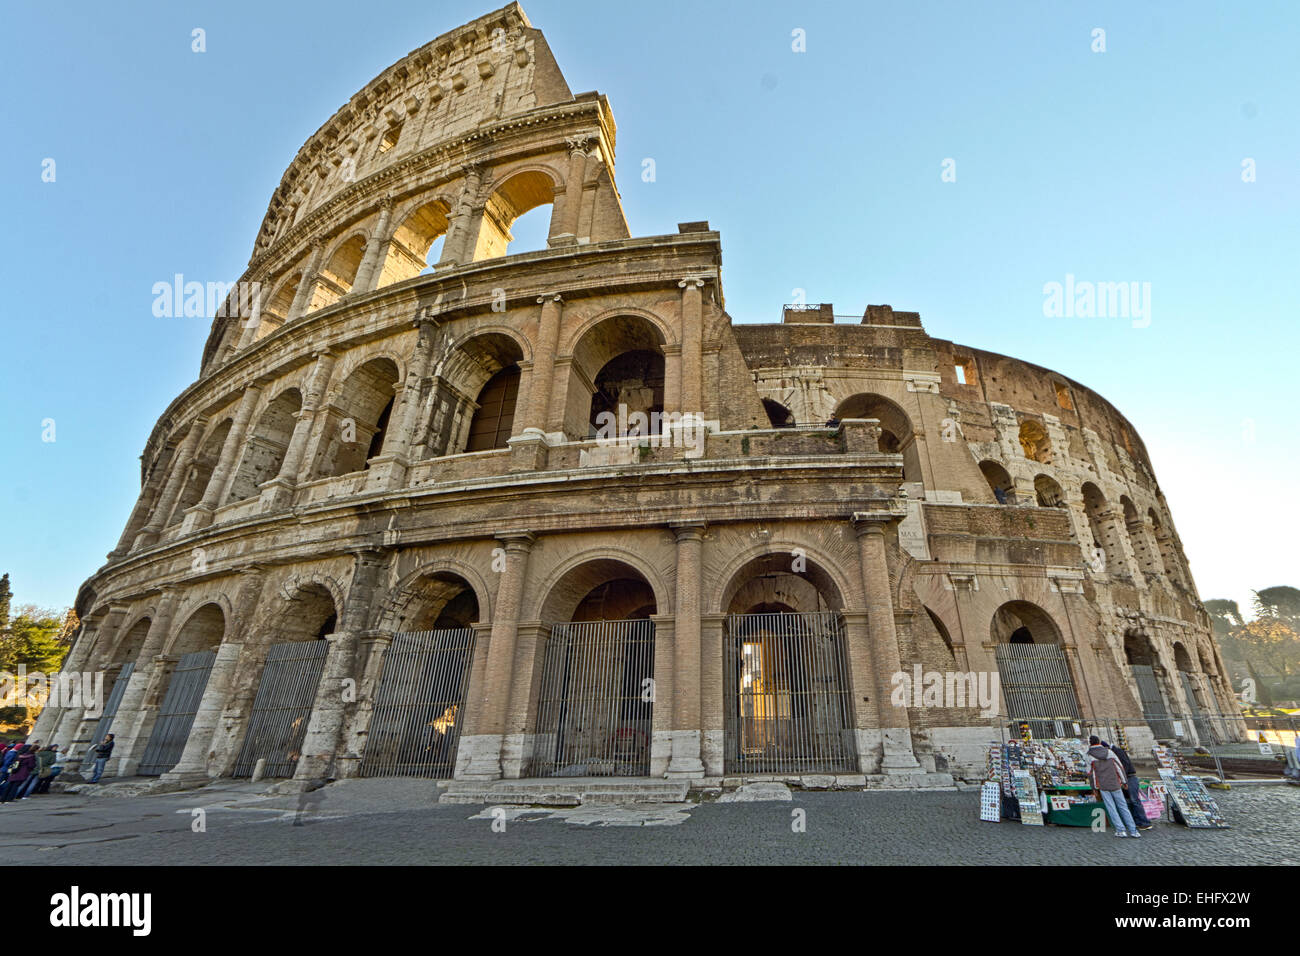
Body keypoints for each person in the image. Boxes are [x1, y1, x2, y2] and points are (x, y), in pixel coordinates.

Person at [1087, 735, 1139, 838]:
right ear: (1099, 742)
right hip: (1115, 783)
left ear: (1090, 743)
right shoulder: (1110, 753)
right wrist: (1124, 781)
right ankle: (1133, 831)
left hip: (1103, 785)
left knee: (1111, 808)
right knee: (1123, 807)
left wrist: (1094, 788)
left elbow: (1090, 773)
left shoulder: (1089, 756)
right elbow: (1119, 767)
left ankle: (1121, 830)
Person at [1105, 740, 1152, 830]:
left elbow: (1124, 766)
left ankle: (1144, 822)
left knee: (1134, 800)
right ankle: (1137, 821)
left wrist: (1121, 778)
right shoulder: (1117, 752)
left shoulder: (1118, 752)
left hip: (1129, 778)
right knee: (1131, 800)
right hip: (1127, 778)